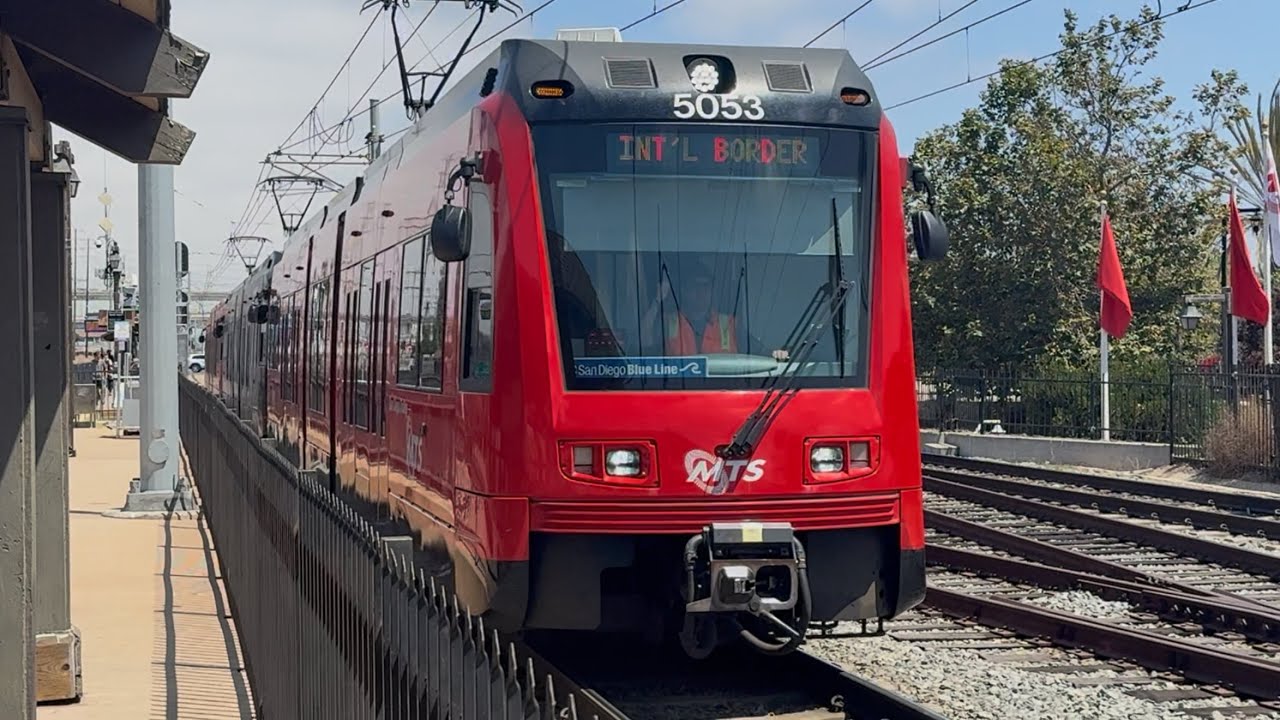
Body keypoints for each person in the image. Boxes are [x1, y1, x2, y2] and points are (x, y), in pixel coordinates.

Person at [641, 263, 789, 361]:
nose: (701, 292)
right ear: (684, 290)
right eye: (695, 287)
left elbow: (759, 352)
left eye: (706, 287)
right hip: (677, 394)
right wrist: (657, 301)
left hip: (723, 394)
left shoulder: (730, 324)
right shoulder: (668, 322)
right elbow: (639, 341)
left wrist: (775, 354)